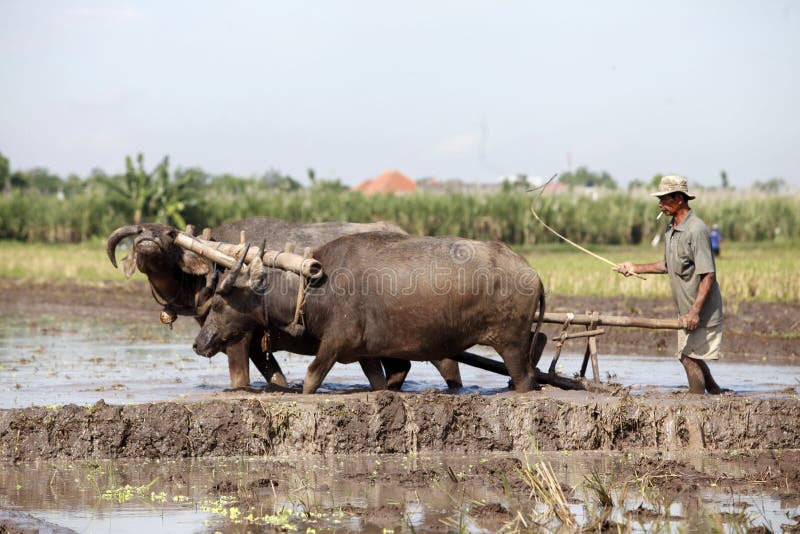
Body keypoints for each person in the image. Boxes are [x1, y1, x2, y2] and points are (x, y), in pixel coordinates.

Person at [614, 175, 727, 394]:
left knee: (687, 356)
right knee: (689, 354)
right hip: (685, 309)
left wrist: (695, 312)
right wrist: (634, 268)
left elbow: (708, 275)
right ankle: (714, 391)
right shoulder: (671, 229)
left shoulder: (697, 230)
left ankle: (696, 401)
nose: (660, 204)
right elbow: (667, 264)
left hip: (700, 309)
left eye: (664, 199)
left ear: (679, 199)